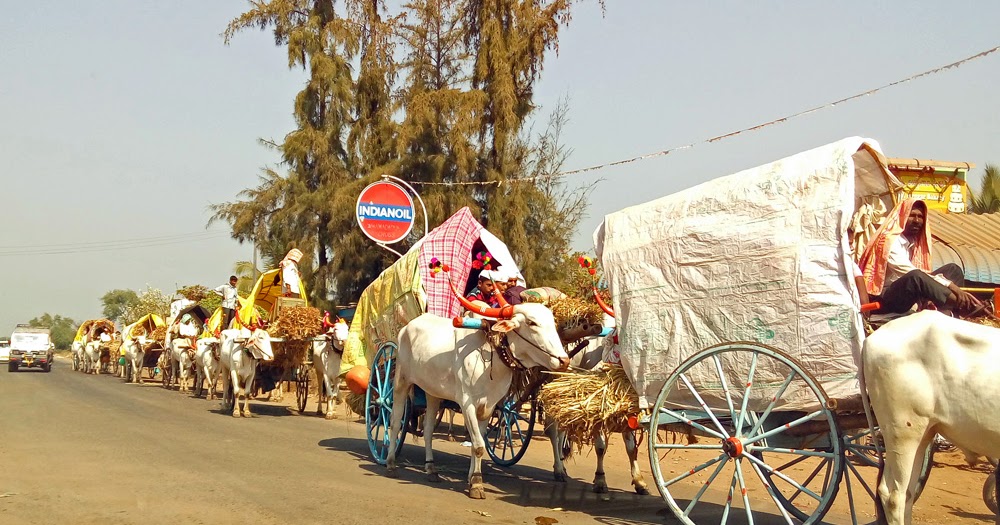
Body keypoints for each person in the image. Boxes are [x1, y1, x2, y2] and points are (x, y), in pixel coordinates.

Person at [859, 198, 982, 315]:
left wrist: (949, 285)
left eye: (920, 216)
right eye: (912, 215)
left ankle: (947, 312)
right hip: (884, 298)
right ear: (902, 217)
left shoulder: (913, 243)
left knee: (953, 269)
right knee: (916, 276)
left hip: (908, 292)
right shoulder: (889, 242)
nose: (917, 220)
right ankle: (969, 306)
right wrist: (952, 286)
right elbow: (912, 273)